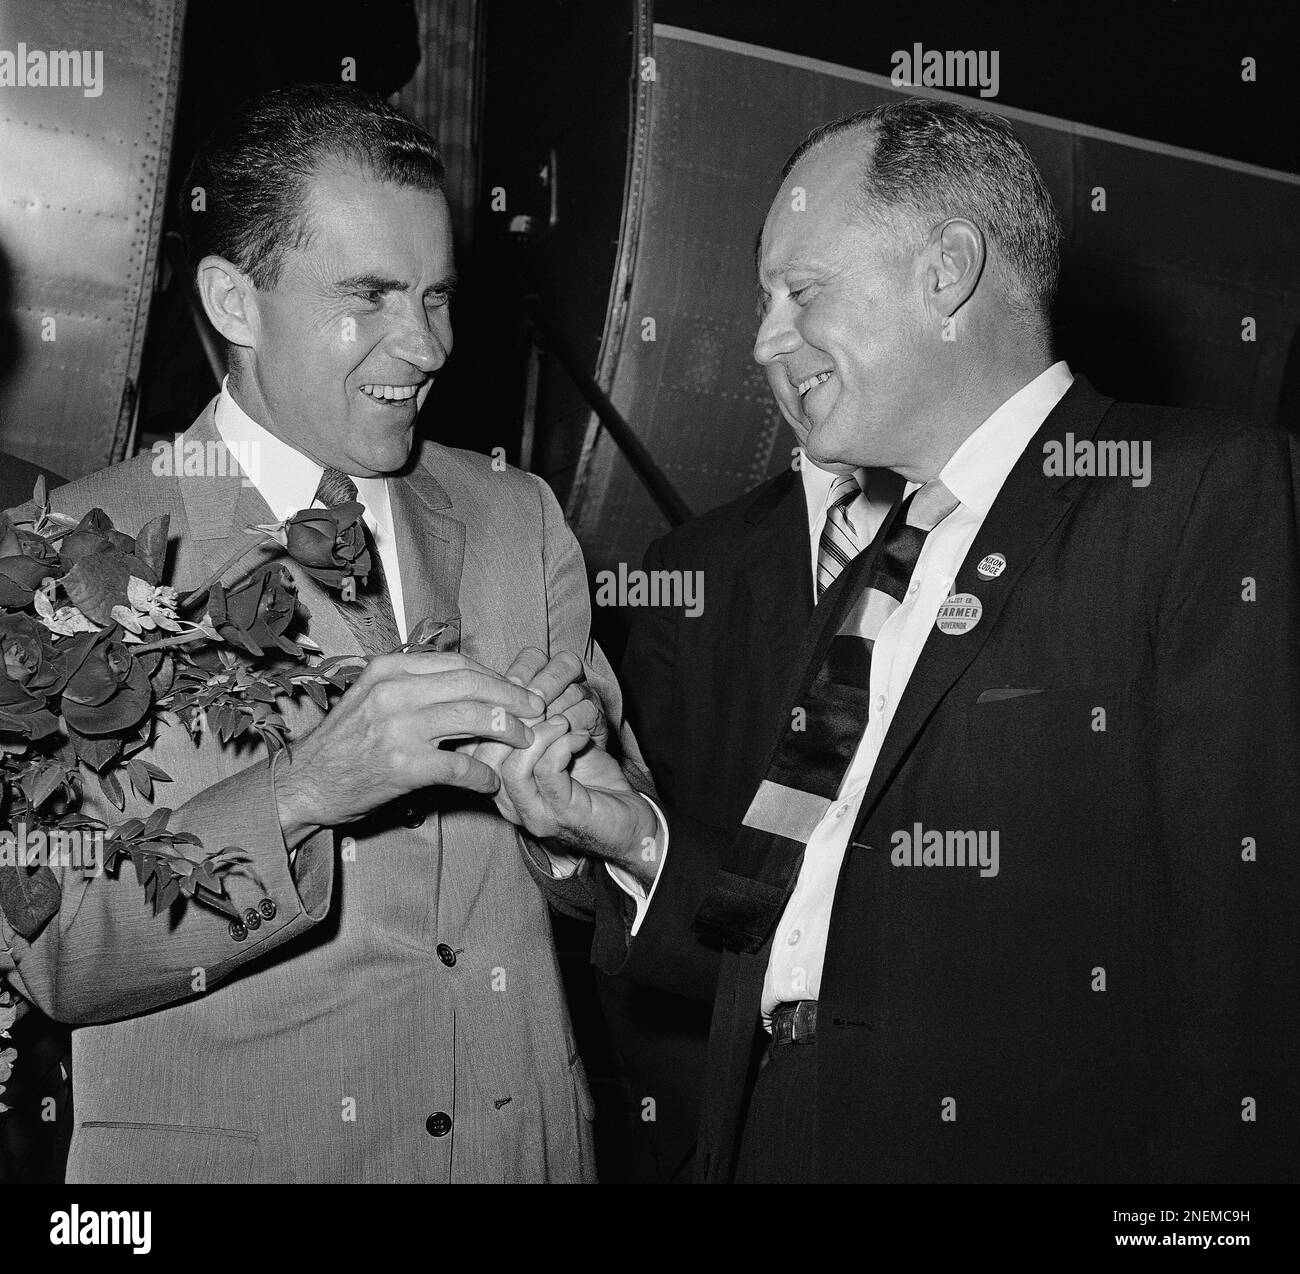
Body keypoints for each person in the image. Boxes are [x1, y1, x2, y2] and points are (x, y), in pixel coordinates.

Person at [485, 97, 1300, 1183]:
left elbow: (1252, 952)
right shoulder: (874, 574)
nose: (766, 338)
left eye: (801, 291)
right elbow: (762, 914)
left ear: (946, 270)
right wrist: (627, 831)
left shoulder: (1193, 491)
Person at [0, 83, 628, 1183]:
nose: (424, 345)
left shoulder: (517, 515)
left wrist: (574, 823)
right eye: (370, 295)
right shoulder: (60, 555)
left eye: (437, 296)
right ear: (234, 302)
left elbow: (610, 873)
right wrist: (300, 789)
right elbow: (51, 946)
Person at [602, 439, 895, 1180]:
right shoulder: (684, 563)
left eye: (810, 310)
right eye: (770, 314)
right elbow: (656, 837)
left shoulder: (980, 523)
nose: (785, 345)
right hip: (733, 1084)